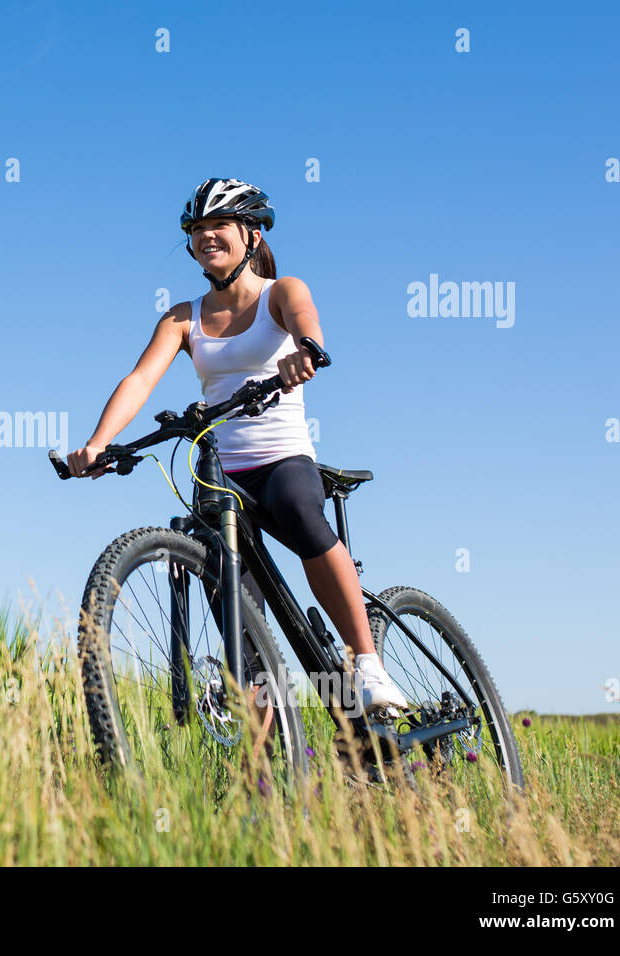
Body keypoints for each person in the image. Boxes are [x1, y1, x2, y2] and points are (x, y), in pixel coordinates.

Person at [65, 177, 409, 715]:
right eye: (197, 229)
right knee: (237, 615)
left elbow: (306, 325)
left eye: (217, 226)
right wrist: (98, 443)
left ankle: (367, 664)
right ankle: (264, 768)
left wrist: (306, 352)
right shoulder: (183, 318)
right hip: (221, 475)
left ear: (250, 234)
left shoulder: (282, 291)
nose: (206, 236)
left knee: (299, 510)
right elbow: (139, 380)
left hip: (282, 459)